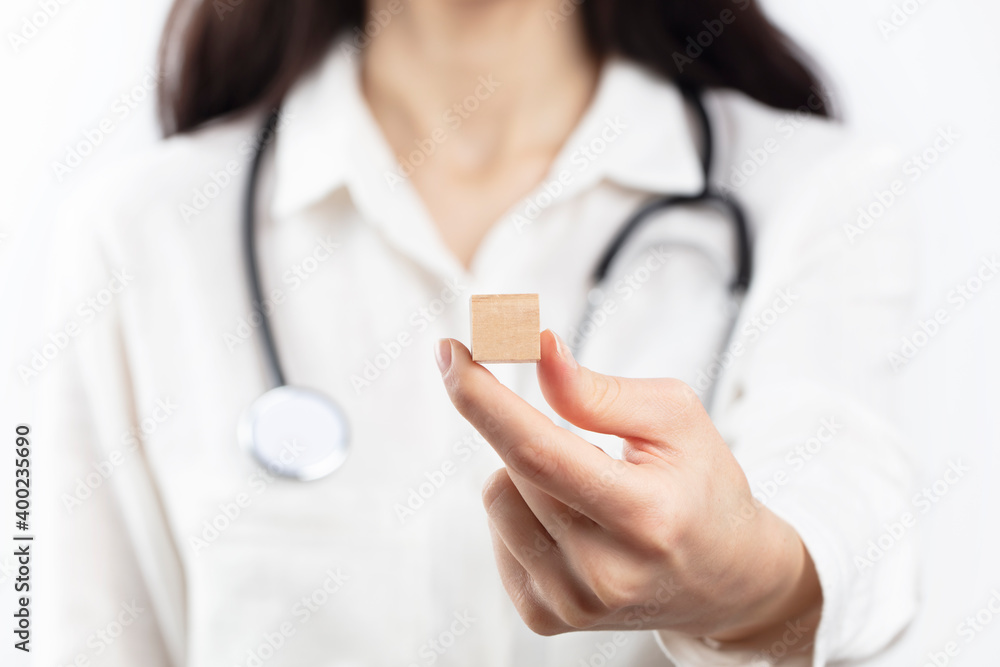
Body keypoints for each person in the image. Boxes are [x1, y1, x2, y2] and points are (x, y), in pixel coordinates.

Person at [37, 0, 919, 665]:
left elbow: (849, 504)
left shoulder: (815, 195)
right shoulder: (134, 237)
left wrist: (747, 581)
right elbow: (70, 632)